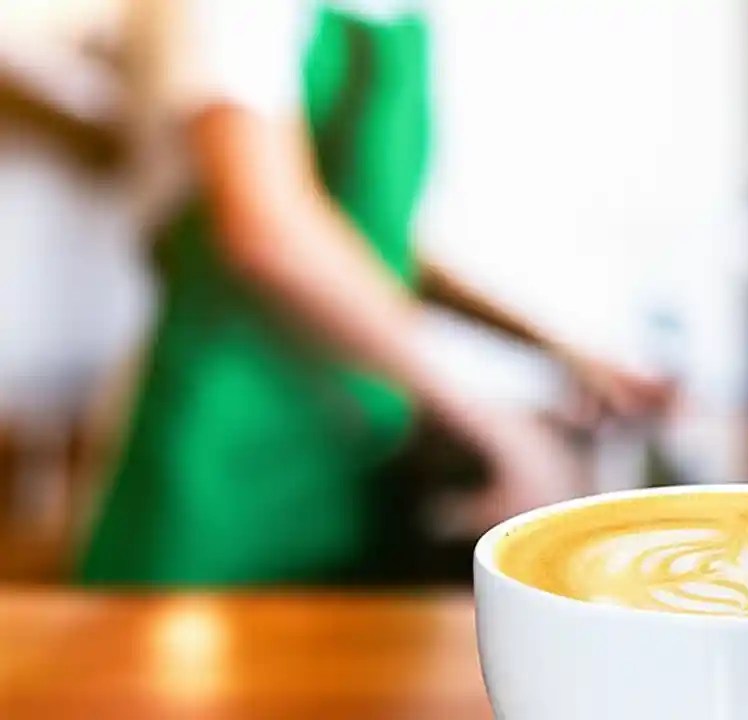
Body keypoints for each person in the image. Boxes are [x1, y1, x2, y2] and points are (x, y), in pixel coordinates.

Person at [78, 0, 669, 586]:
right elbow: (267, 230)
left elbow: (373, 243)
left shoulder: (395, 18)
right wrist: (493, 427)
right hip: (222, 448)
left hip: (346, 446)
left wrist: (560, 350)